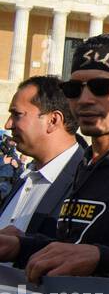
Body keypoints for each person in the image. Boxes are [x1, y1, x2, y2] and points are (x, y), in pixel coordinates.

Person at [0, 35, 109, 282]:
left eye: (101, 87)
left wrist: (101, 257)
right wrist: (21, 246)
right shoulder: (86, 163)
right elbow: (73, 247)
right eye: (74, 90)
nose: (84, 100)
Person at [0, 77, 84, 236]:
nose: (8, 125)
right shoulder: (26, 176)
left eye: (17, 115)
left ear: (53, 120)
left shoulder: (85, 181)